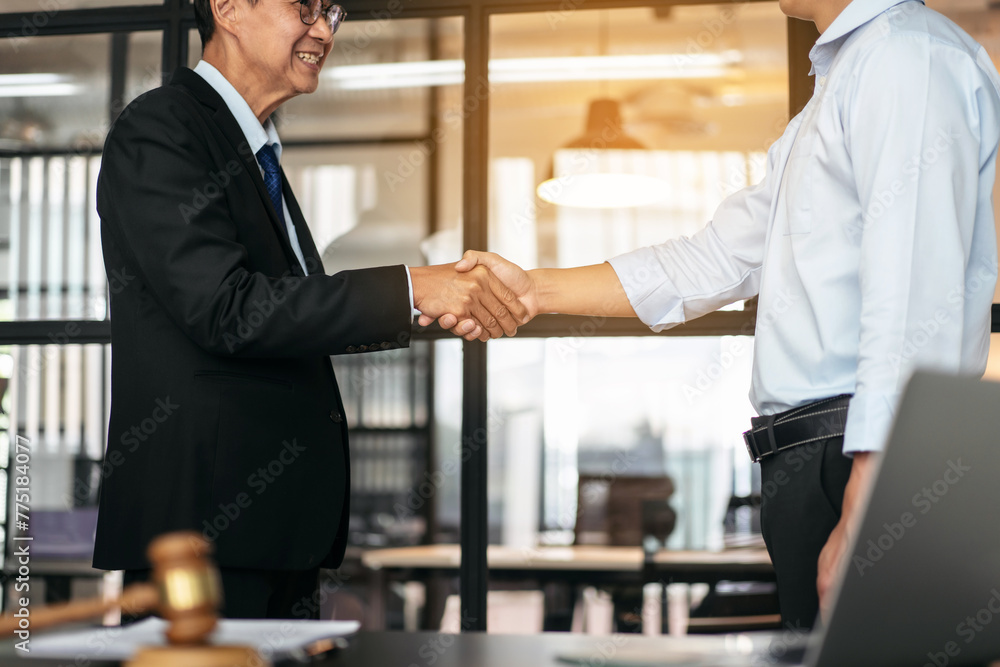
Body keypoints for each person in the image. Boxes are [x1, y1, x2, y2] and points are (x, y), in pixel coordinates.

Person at [439, 0, 1000, 629]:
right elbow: (712, 260)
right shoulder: (848, 77)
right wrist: (534, 291)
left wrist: (870, 502)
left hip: (860, 460)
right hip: (814, 460)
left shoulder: (907, 58)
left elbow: (913, 300)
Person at [92, 0, 523, 619]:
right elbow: (225, 308)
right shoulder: (161, 129)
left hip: (275, 533)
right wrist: (411, 289)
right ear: (228, 8)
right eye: (304, 7)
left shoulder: (256, 149)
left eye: (331, 12)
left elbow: (286, 320)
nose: (323, 29)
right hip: (202, 538)